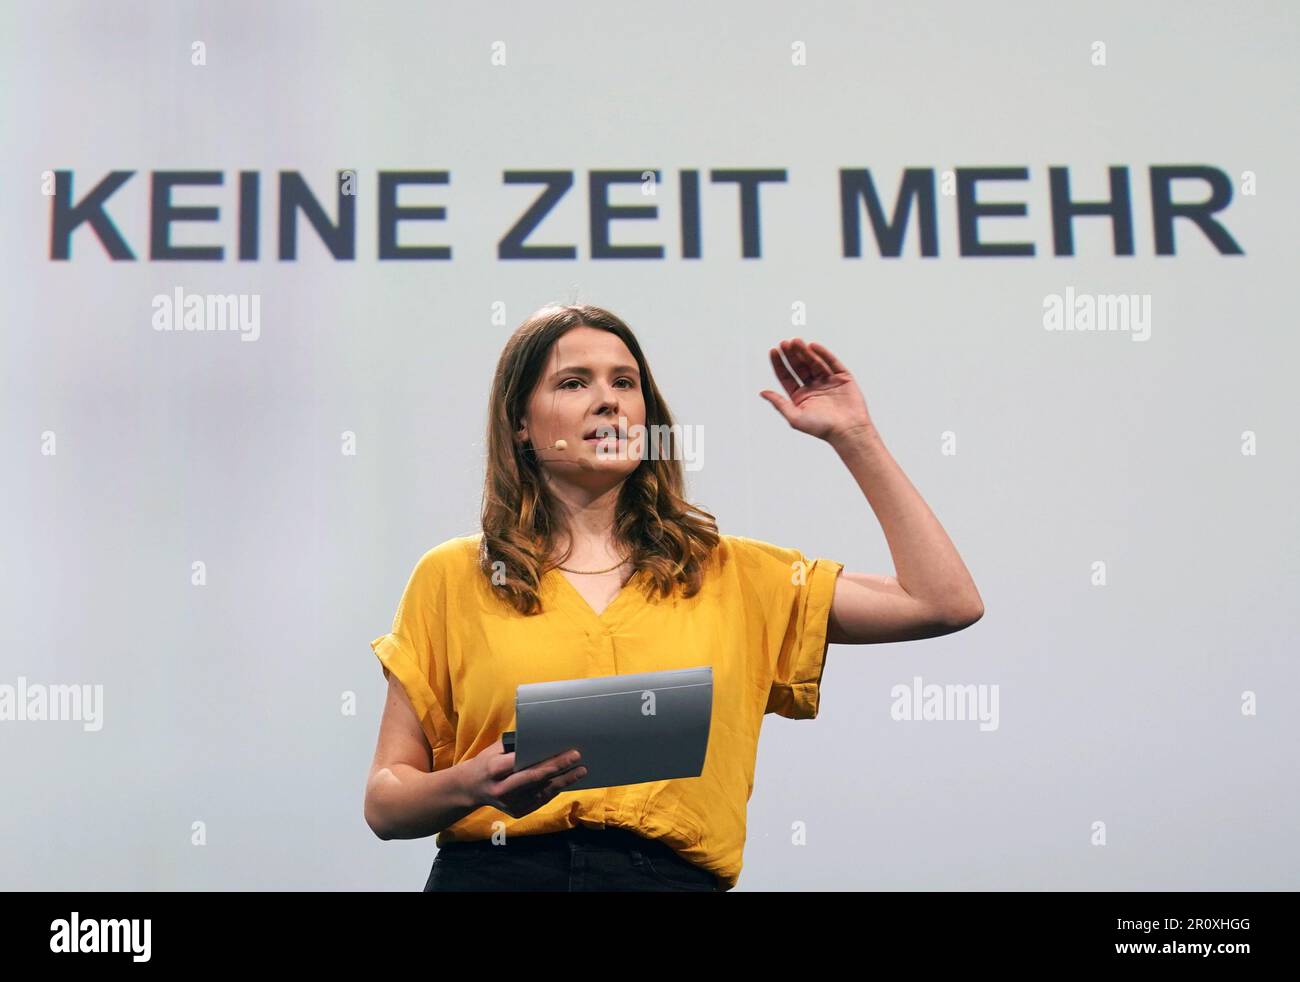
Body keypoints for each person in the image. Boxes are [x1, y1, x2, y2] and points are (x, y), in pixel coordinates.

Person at [363, 303, 983, 891]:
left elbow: (942, 601)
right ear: (521, 424)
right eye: (574, 383)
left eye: (625, 383)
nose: (607, 399)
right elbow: (387, 801)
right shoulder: (455, 574)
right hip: (494, 875)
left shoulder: (732, 573)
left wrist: (855, 436)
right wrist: (474, 784)